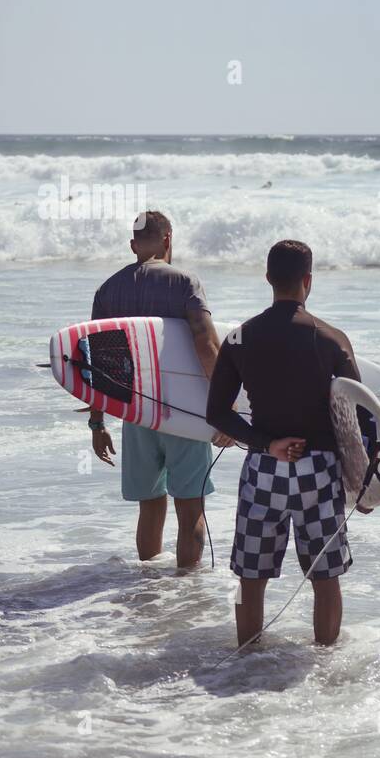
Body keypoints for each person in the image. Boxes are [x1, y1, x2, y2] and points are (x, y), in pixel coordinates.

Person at [205, 240, 364, 647]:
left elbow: (217, 414)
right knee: (325, 578)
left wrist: (267, 444)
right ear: (308, 280)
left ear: (268, 279)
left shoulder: (240, 338)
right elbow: (358, 419)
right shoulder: (332, 339)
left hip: (264, 469)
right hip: (319, 471)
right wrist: (362, 483)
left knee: (250, 577)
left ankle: (245, 657)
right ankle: (325, 663)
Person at [88, 211, 232, 568]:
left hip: (136, 411)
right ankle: (185, 596)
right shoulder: (184, 282)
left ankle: (151, 589)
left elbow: (96, 362)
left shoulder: (108, 290)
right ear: (169, 239)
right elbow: (206, 346)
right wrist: (225, 408)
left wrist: (97, 423)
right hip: (184, 412)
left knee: (150, 505)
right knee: (190, 506)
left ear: (133, 245)